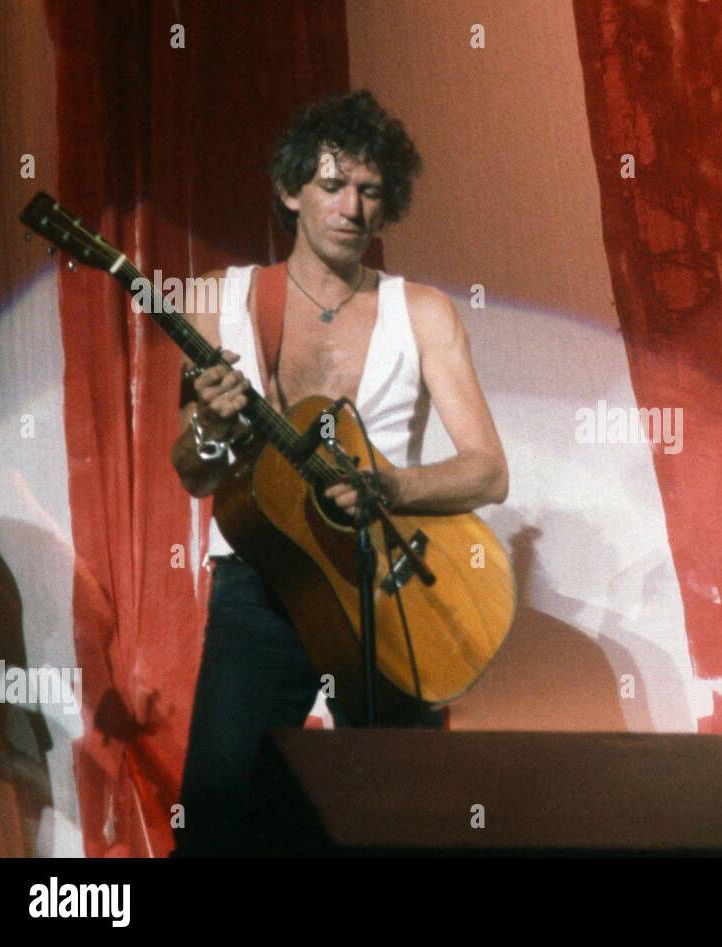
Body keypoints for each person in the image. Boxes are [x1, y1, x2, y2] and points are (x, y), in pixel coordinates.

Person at [170, 91, 508, 856]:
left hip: (384, 578)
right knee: (218, 822)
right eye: (332, 185)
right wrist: (214, 424)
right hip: (263, 579)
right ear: (290, 190)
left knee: (404, 824)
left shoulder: (420, 310)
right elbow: (192, 472)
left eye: (371, 191)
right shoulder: (222, 300)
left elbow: (488, 472)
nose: (351, 207)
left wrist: (389, 487)